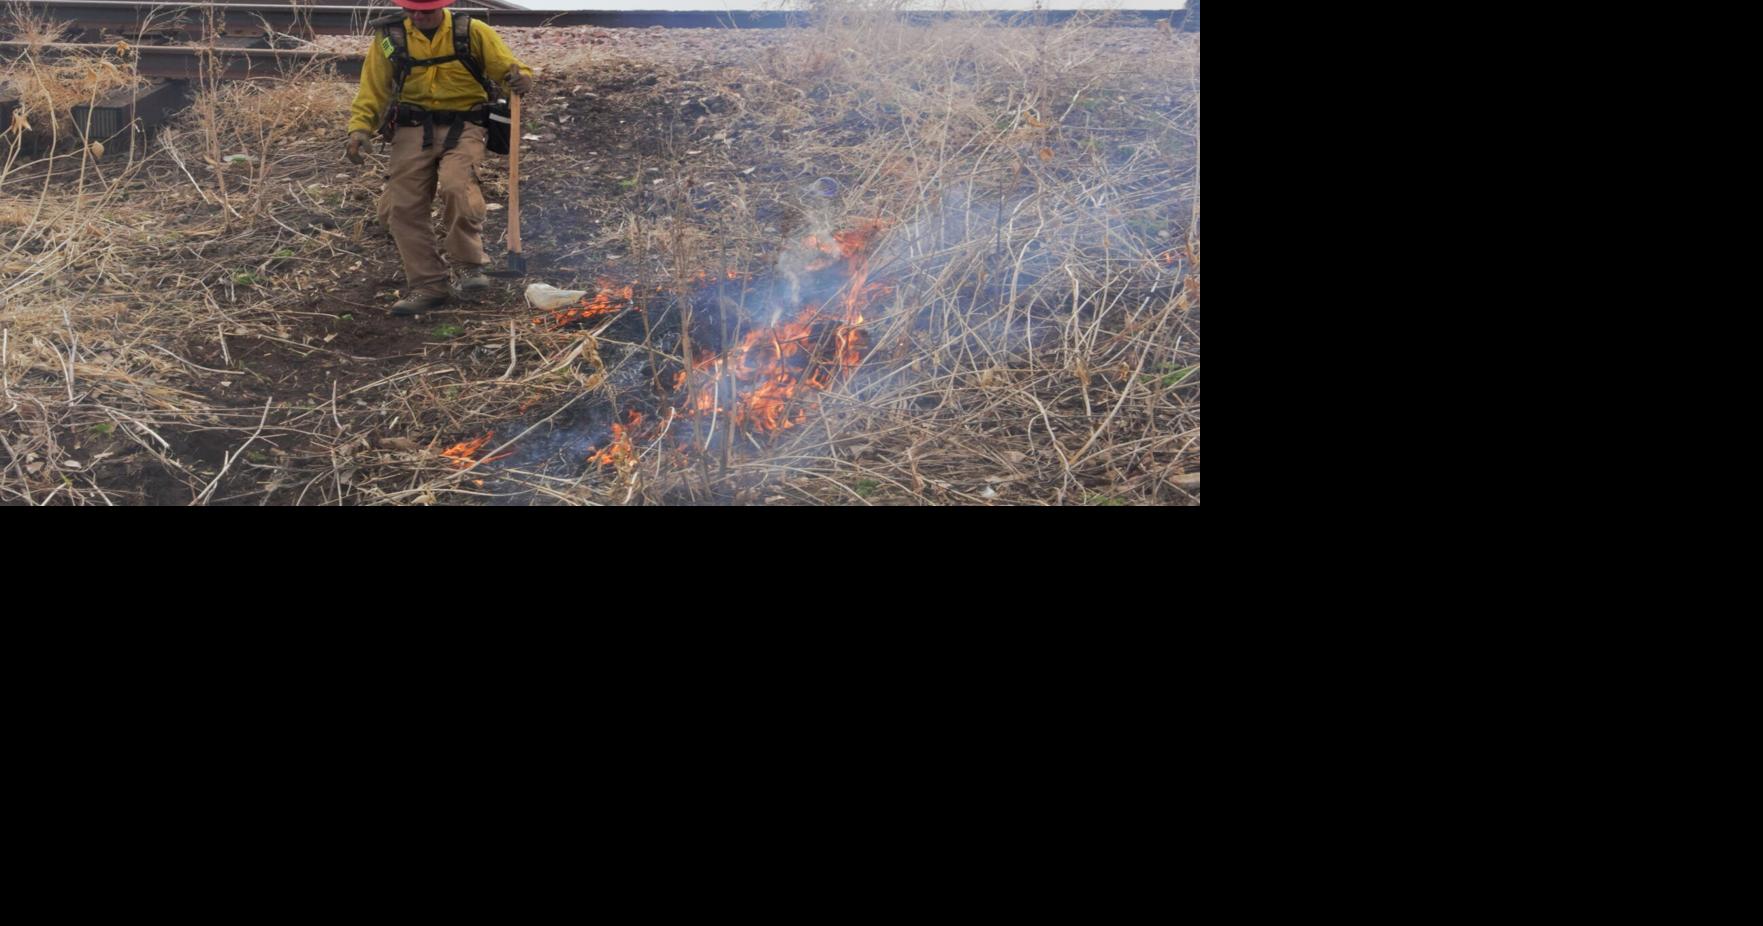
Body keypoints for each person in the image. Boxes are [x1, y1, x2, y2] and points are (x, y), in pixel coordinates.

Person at [344, 0, 534, 316]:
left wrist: (522, 78)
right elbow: (373, 87)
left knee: (456, 186)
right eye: (412, 11)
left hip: (465, 125)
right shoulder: (389, 37)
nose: (419, 17)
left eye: (427, 11)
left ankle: (470, 265)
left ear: (443, 6)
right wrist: (360, 128)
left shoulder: (472, 31)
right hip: (411, 127)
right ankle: (428, 286)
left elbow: (509, 70)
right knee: (403, 207)